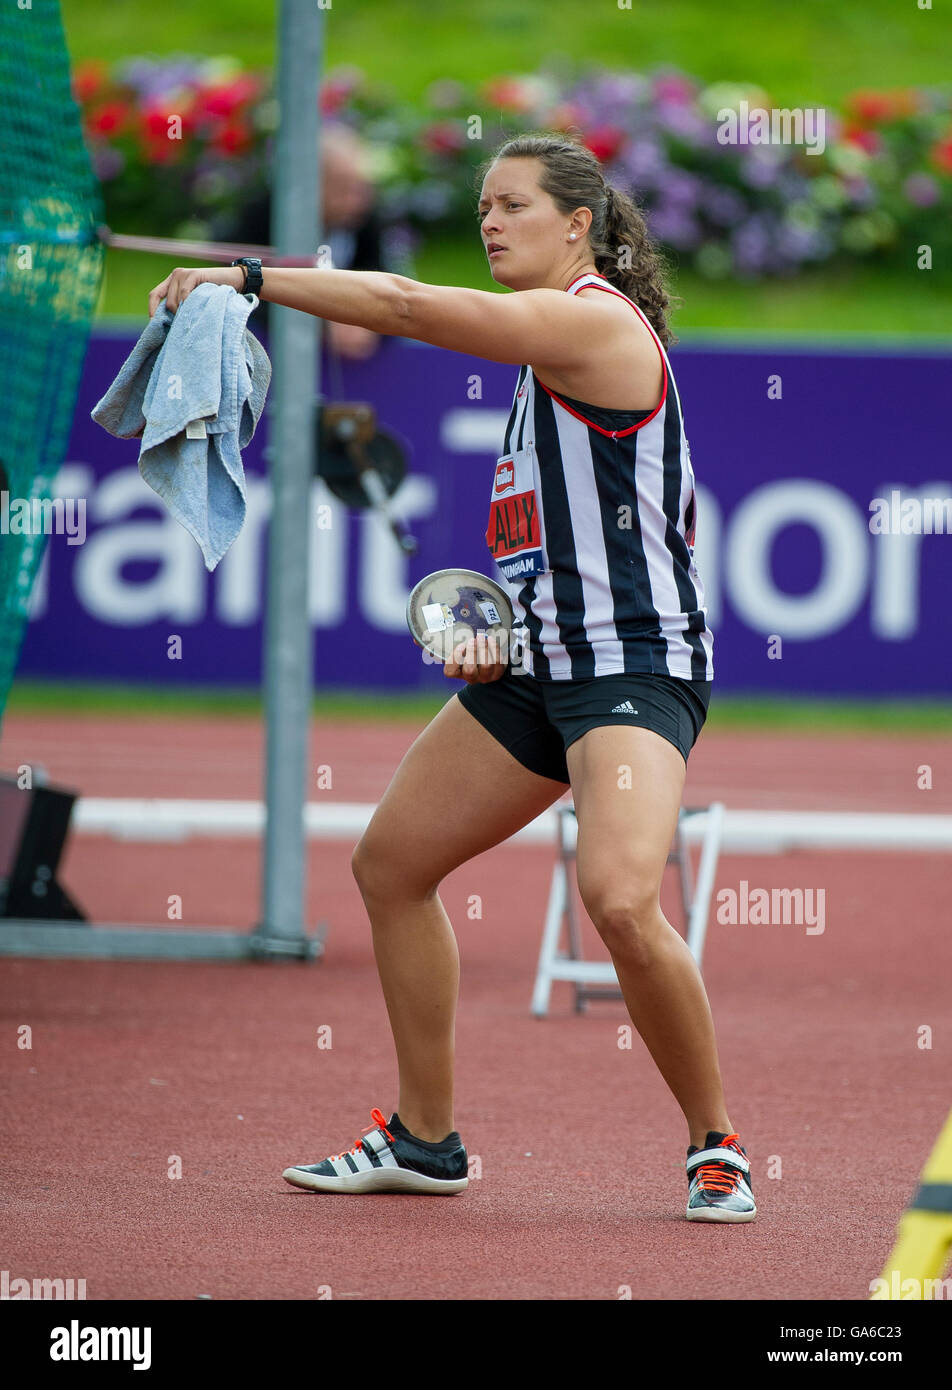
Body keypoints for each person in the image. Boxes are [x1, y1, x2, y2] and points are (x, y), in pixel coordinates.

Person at [148, 132, 756, 1223]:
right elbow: (549, 552)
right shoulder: (538, 371)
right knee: (390, 863)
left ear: (579, 225)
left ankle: (715, 1144)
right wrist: (493, 630)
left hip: (633, 668)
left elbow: (406, 308)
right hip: (536, 667)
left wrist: (246, 277)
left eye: (512, 204)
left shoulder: (591, 321)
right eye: (482, 204)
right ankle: (424, 1139)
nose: (488, 222)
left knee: (618, 896)